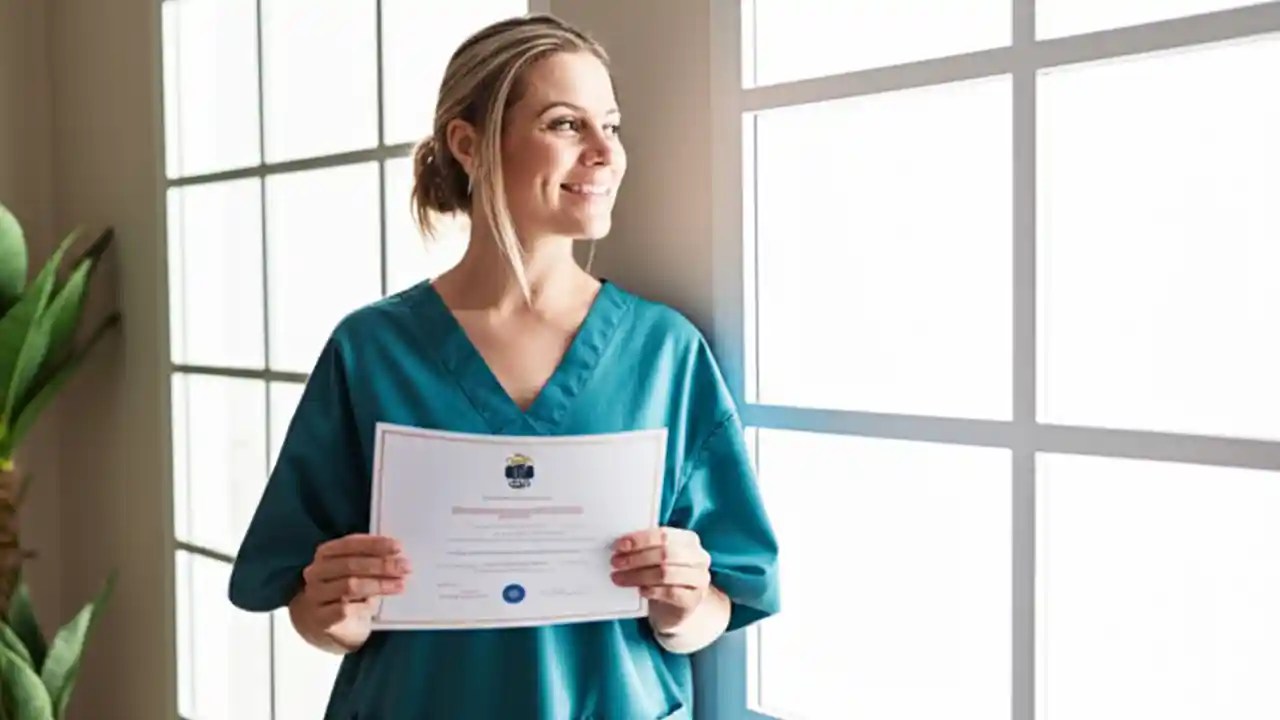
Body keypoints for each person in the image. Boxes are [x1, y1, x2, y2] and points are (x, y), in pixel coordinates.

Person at [228, 12, 779, 720]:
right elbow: (312, 610)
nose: (606, 153)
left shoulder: (665, 353)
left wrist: (680, 602)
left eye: (609, 124)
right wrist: (336, 609)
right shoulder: (369, 351)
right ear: (468, 144)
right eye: (565, 124)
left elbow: (717, 605)